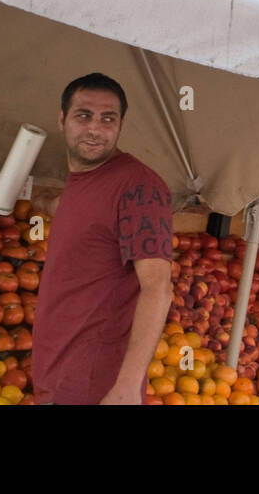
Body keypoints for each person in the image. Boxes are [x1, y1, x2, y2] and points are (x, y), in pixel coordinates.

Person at [32, 72, 172, 404]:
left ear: (120, 125)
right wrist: (36, 201)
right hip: (55, 373)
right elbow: (79, 214)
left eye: (108, 119)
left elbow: (159, 288)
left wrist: (126, 386)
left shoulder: (140, 188)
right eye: (84, 116)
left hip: (96, 387)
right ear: (62, 119)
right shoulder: (81, 179)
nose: (95, 129)